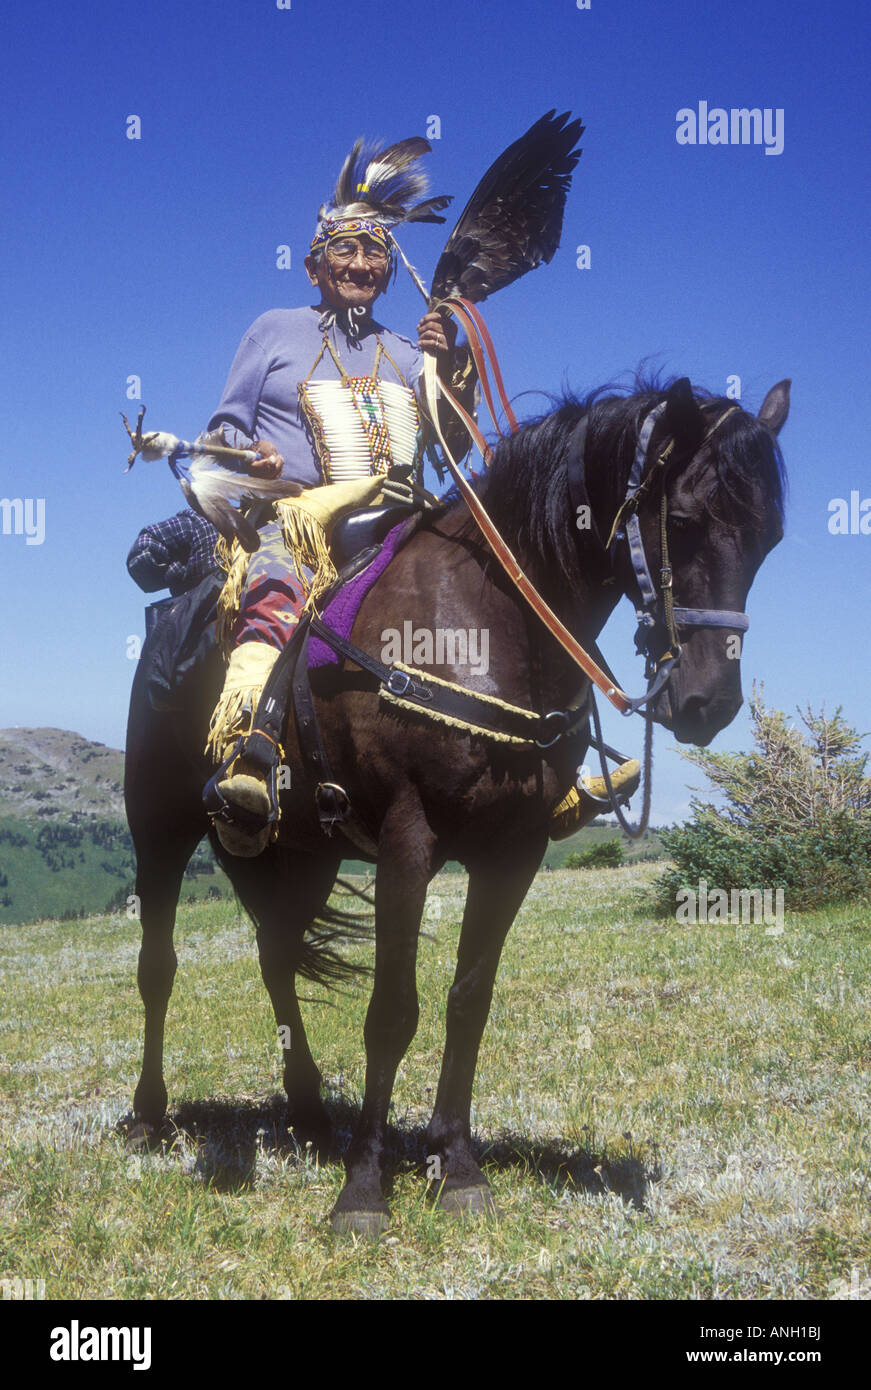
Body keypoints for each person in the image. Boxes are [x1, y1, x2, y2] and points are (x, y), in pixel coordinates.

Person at [202, 137, 476, 855]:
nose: (360, 265)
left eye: (374, 254)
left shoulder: (406, 351)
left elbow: (455, 447)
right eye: (345, 251)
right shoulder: (275, 330)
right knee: (273, 590)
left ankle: (541, 761)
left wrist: (454, 368)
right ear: (314, 264)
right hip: (297, 522)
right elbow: (223, 426)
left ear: (389, 268)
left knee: (486, 578)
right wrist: (248, 456)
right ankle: (249, 753)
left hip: (396, 522)